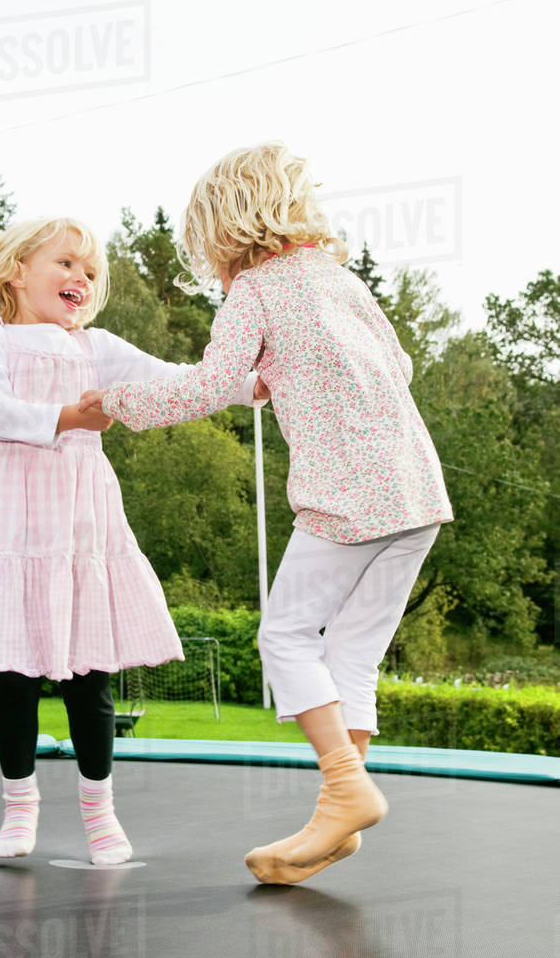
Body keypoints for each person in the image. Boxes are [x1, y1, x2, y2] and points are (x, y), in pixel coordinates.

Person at [80, 143, 454, 884]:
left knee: (283, 636)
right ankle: (337, 810)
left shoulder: (254, 290)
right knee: (351, 651)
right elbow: (399, 367)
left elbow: (206, 386)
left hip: (347, 496)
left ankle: (346, 791)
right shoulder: (340, 280)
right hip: (415, 491)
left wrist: (114, 404)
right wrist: (282, 372)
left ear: (228, 232)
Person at [0, 215, 259, 866]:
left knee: (91, 677)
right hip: (7, 522)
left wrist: (243, 386)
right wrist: (68, 416)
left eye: (89, 271)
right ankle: (19, 803)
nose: (78, 278)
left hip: (82, 524)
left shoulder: (97, 347)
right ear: (16, 271)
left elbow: (175, 381)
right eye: (64, 264)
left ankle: (101, 812)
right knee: (14, 680)